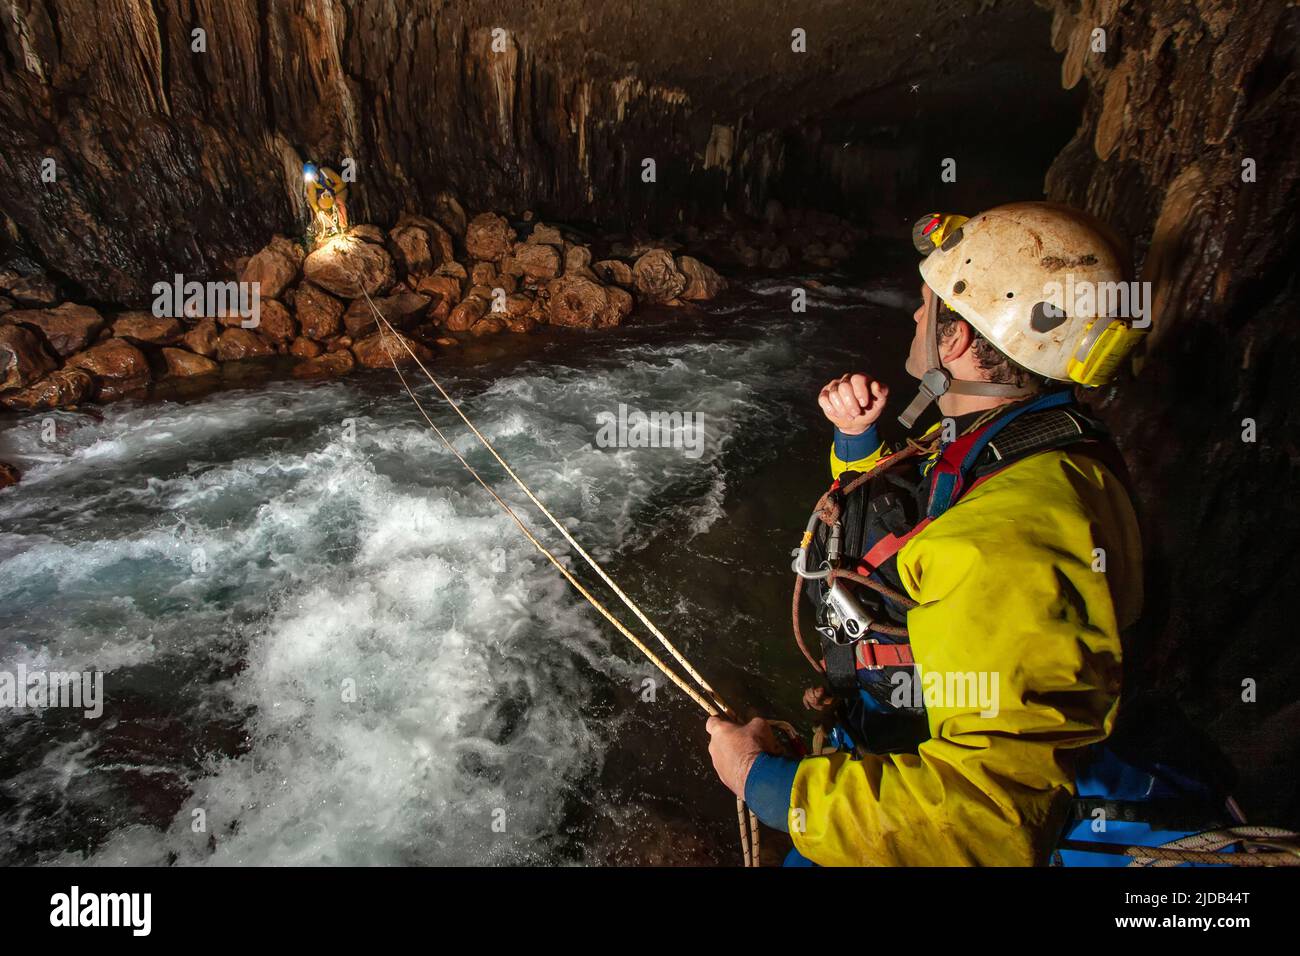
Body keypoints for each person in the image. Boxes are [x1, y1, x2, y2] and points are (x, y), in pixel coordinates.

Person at [706, 202, 1153, 866]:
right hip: (897, 719)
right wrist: (856, 443)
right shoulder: (1015, 446)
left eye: (929, 303)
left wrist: (766, 784)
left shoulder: (1009, 539)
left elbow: (989, 815)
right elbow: (900, 514)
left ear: (959, 342)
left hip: (922, 766)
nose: (917, 316)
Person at [303, 162, 350, 236]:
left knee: (339, 201)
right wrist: (317, 210)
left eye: (314, 175)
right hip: (327, 194)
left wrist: (332, 191)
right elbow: (312, 197)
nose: (314, 178)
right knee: (321, 204)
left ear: (316, 171)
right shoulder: (310, 181)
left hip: (340, 190)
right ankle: (330, 227)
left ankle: (344, 226)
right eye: (312, 176)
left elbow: (343, 183)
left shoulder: (326, 172)